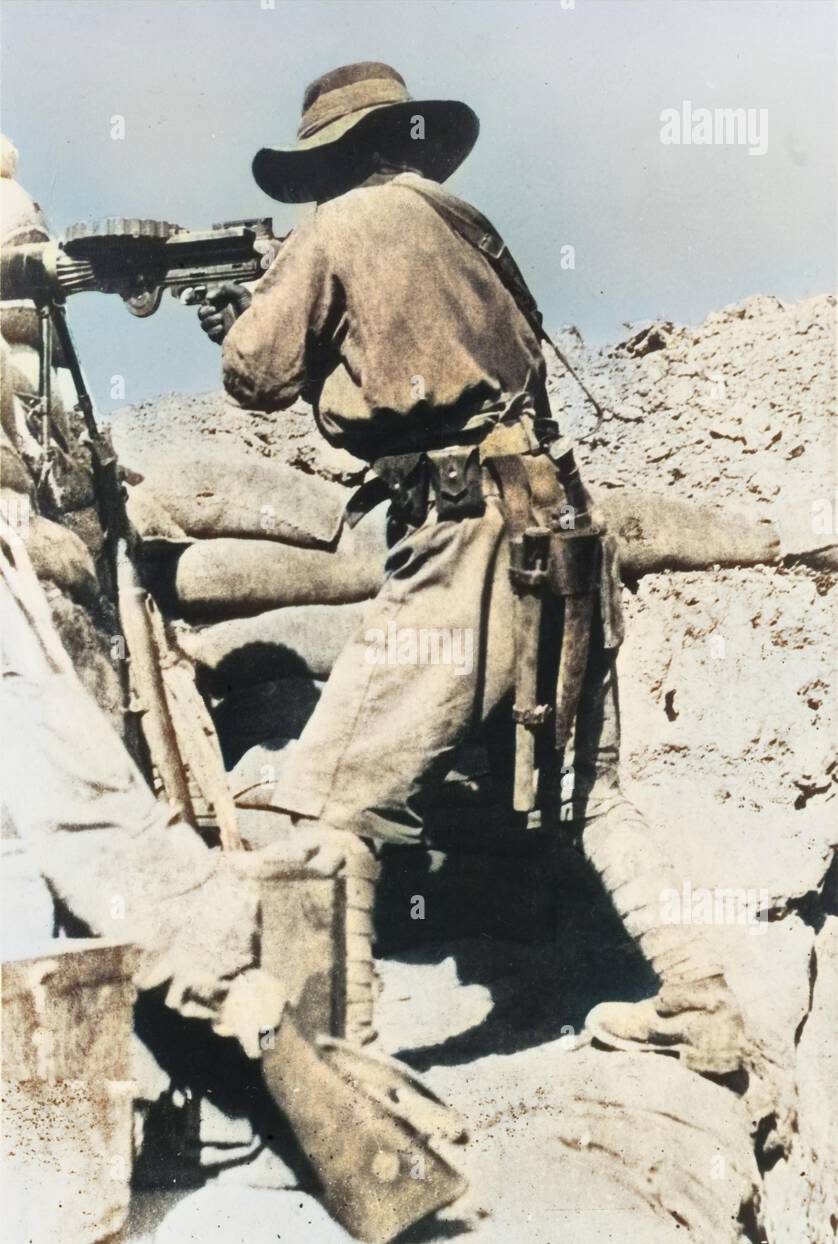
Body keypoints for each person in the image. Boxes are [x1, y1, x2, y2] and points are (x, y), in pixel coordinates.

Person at [197, 62, 748, 1079]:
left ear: (339, 157)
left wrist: (236, 313)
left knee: (328, 798)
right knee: (597, 793)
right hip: (557, 522)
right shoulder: (466, 229)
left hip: (458, 538)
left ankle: (347, 1075)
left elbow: (255, 376)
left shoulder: (338, 230)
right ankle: (703, 1006)